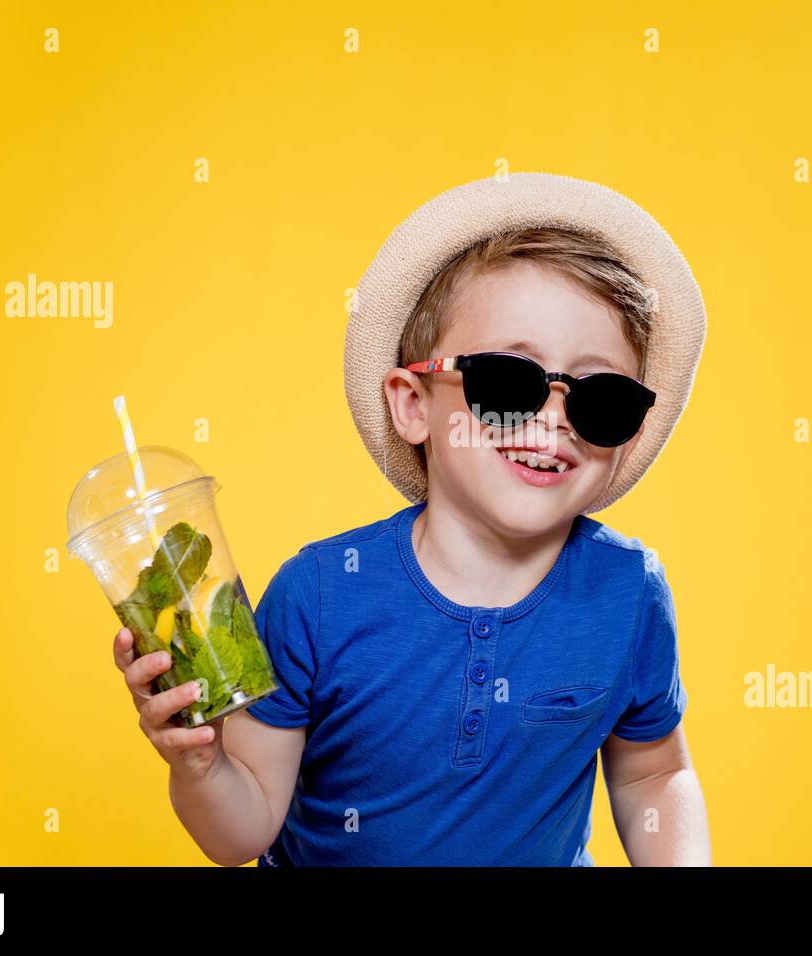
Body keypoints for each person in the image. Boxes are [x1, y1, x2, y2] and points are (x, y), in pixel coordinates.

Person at [113, 172, 711, 865]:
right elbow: (240, 833)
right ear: (413, 405)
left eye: (600, 397)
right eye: (508, 383)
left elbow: (654, 773)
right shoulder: (319, 595)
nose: (551, 420)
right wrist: (197, 764)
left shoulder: (627, 592)